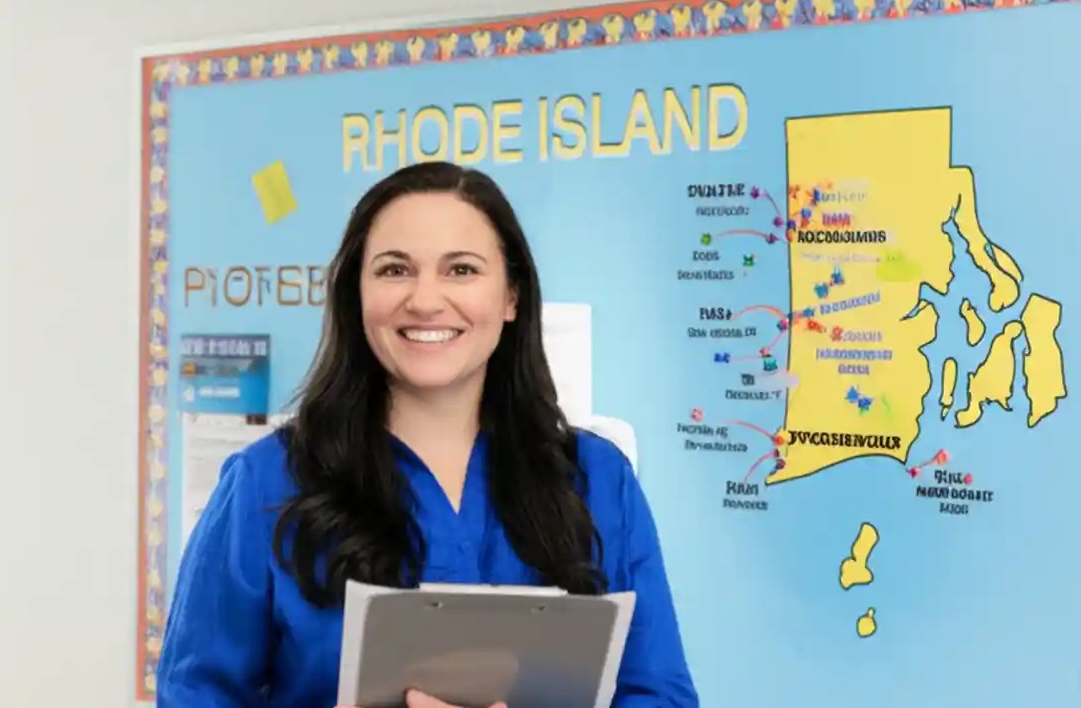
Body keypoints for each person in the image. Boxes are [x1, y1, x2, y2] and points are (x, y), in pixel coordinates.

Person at [156, 161, 698, 707]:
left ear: (511, 296)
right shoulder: (265, 485)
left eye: (461, 270)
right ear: (357, 295)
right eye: (395, 270)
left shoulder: (597, 480)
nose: (425, 300)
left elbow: (659, 695)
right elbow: (195, 696)